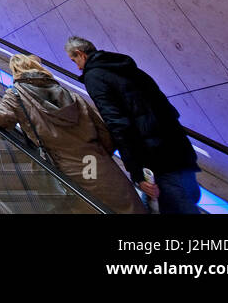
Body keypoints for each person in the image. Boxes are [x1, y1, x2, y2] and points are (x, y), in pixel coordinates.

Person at [0, 54, 146, 214]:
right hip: (99, 160)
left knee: (92, 207)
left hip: (70, 168)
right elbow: (102, 129)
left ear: (16, 72)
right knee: (127, 205)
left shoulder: (16, 95)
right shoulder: (67, 92)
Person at [66, 36, 202, 213]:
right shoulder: (127, 67)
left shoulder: (94, 76)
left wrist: (137, 171)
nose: (77, 67)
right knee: (184, 200)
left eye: (74, 60)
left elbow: (118, 124)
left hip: (155, 156)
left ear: (80, 54)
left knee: (175, 206)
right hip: (178, 148)